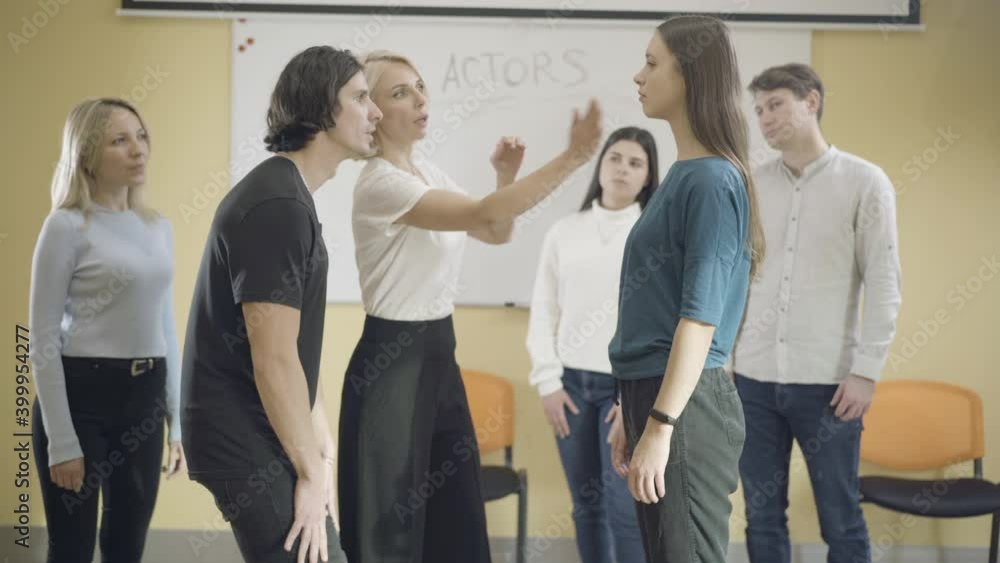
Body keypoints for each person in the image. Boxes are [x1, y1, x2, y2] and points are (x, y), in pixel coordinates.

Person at [337, 50, 602, 563]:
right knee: (391, 535)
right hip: (392, 367)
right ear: (373, 111)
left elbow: (495, 231)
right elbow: (484, 214)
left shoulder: (426, 171)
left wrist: (505, 178)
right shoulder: (380, 184)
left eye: (420, 86)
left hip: (440, 359)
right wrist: (572, 157)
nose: (420, 99)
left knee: (458, 522)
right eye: (400, 93)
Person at [181, 46, 381, 563]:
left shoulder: (289, 195)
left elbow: (292, 350)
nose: (376, 112)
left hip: (263, 428)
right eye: (361, 98)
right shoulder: (278, 205)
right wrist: (311, 472)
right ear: (322, 106)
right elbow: (272, 358)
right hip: (242, 432)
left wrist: (322, 450)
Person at [607, 15, 766, 563]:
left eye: (652, 64)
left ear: (690, 74)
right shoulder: (685, 173)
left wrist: (660, 423)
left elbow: (699, 320)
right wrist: (631, 411)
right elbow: (655, 308)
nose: (639, 76)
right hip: (656, 394)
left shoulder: (713, 180)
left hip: (686, 405)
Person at [732, 63, 902, 563]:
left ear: (811, 102)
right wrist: (726, 360)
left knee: (841, 519)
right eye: (759, 110)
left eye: (776, 105)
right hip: (753, 380)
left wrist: (866, 372)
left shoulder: (865, 182)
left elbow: (885, 282)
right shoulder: (751, 184)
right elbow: (737, 279)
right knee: (761, 516)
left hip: (830, 385)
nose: (765, 118)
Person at [28, 97, 187, 563]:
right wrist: (62, 440)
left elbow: (166, 325)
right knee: (71, 549)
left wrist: (177, 419)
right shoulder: (65, 226)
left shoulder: (157, 227)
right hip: (81, 398)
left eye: (141, 136)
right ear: (87, 155)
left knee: (126, 548)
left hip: (144, 396)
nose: (138, 149)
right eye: (120, 140)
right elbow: (42, 339)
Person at [526, 126, 659, 563]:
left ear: (648, 177)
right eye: (614, 158)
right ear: (600, 165)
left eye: (635, 163)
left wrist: (636, 393)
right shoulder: (564, 231)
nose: (622, 169)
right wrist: (548, 381)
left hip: (625, 390)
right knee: (586, 508)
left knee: (625, 510)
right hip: (570, 388)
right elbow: (544, 309)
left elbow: (662, 322)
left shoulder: (653, 233)